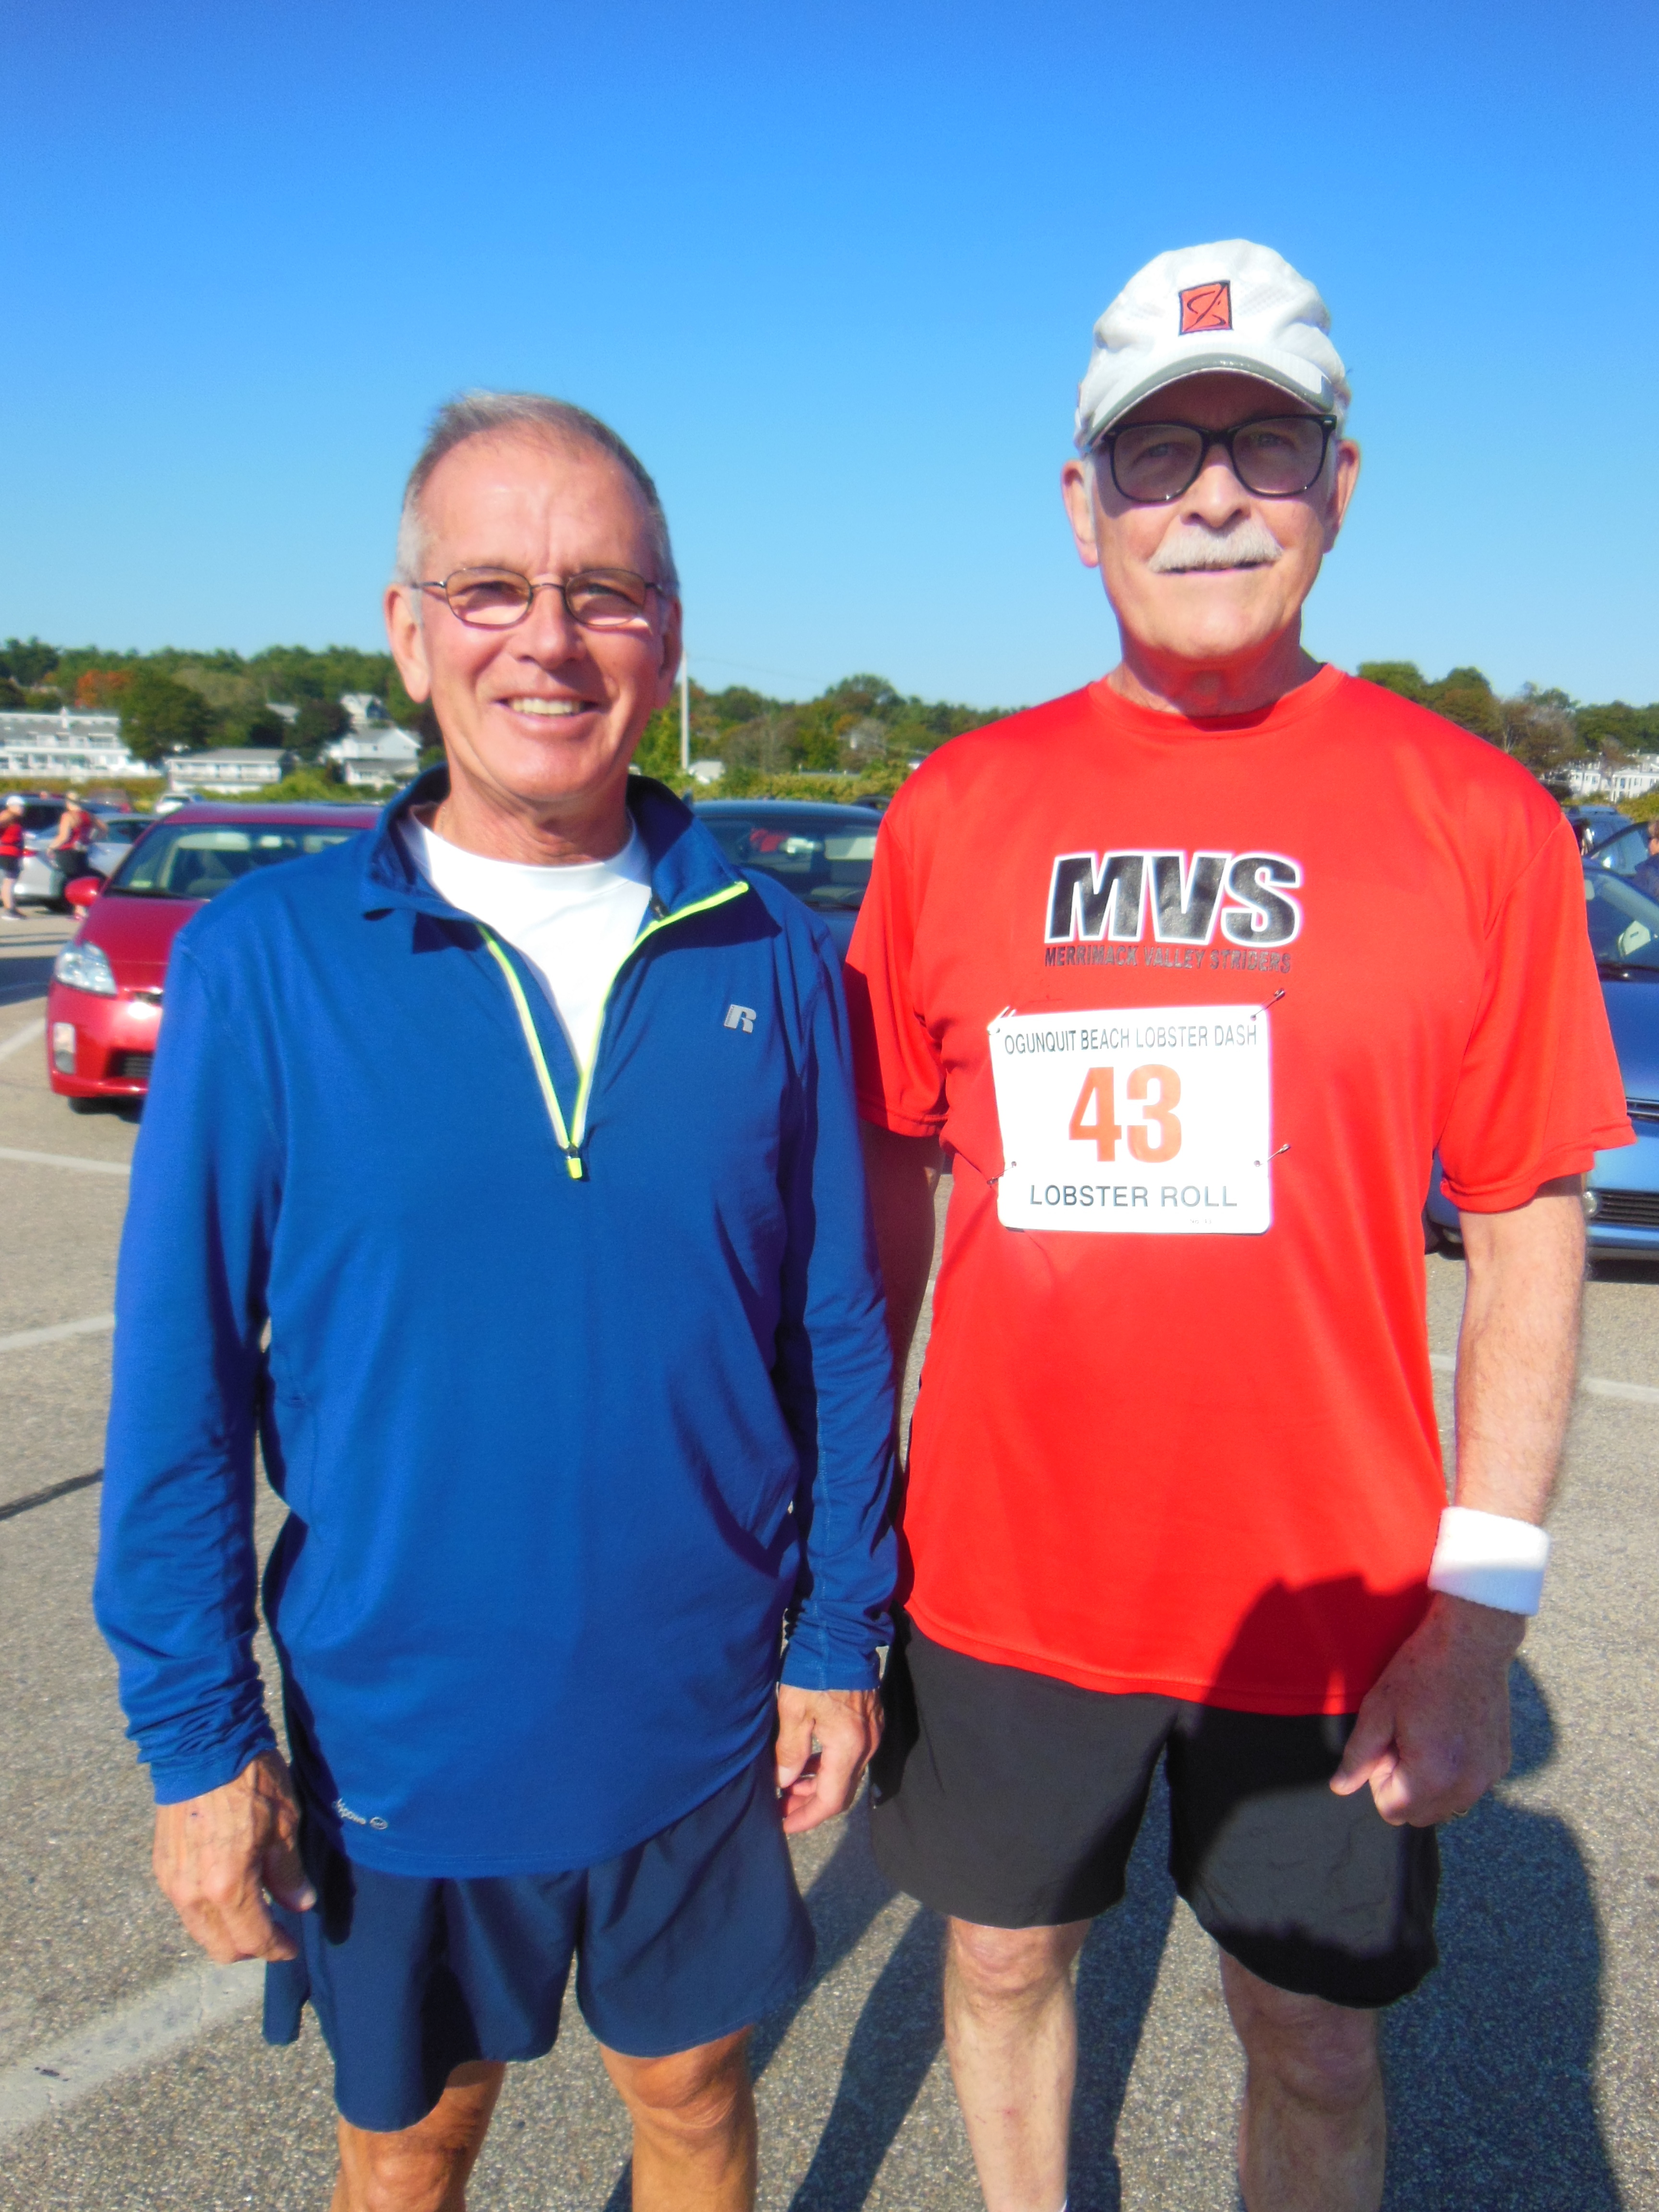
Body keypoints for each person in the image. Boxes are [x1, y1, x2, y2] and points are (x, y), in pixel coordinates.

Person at [844, 240, 1632, 2212]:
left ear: (1340, 487)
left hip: (1335, 1606)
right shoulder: (955, 806)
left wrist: (1477, 1617)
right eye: (1156, 449)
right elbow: (882, 1215)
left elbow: (1532, 1230)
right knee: (1005, 1958)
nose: (1209, 492)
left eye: (1262, 443)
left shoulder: (1482, 820)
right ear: (1079, 506)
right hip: (1007, 1581)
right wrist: (836, 1565)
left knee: (1311, 2032)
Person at [96, 391, 895, 2212]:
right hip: (408, 1729)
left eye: (603, 592)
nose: (547, 637)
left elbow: (835, 1324)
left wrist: (842, 1626)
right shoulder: (268, 959)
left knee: (693, 2097)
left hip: (702, 1710)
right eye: (490, 587)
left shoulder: (772, 943)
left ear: (669, 636)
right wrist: (198, 1736)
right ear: (408, 628)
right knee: (415, 2139)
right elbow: (182, 1391)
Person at [0, 795, 24, 918]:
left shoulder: (14, 818)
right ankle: (9, 909)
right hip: (8, 852)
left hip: (14, 852)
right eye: (20, 806)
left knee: (11, 880)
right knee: (9, 881)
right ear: (12, 806)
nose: (23, 809)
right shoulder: (8, 815)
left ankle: (12, 908)